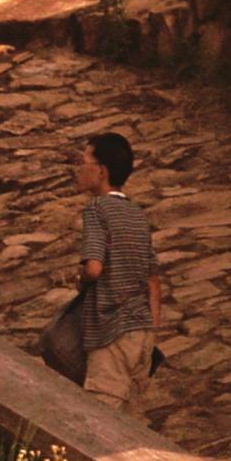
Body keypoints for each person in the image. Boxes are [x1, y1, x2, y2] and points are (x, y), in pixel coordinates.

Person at [72, 130, 166, 405]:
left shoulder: (97, 210)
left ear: (101, 171)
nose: (79, 170)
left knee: (103, 417)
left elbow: (94, 269)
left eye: (84, 162)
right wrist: (152, 329)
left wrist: (79, 281)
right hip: (142, 333)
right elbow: (153, 280)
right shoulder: (137, 214)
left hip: (111, 331)